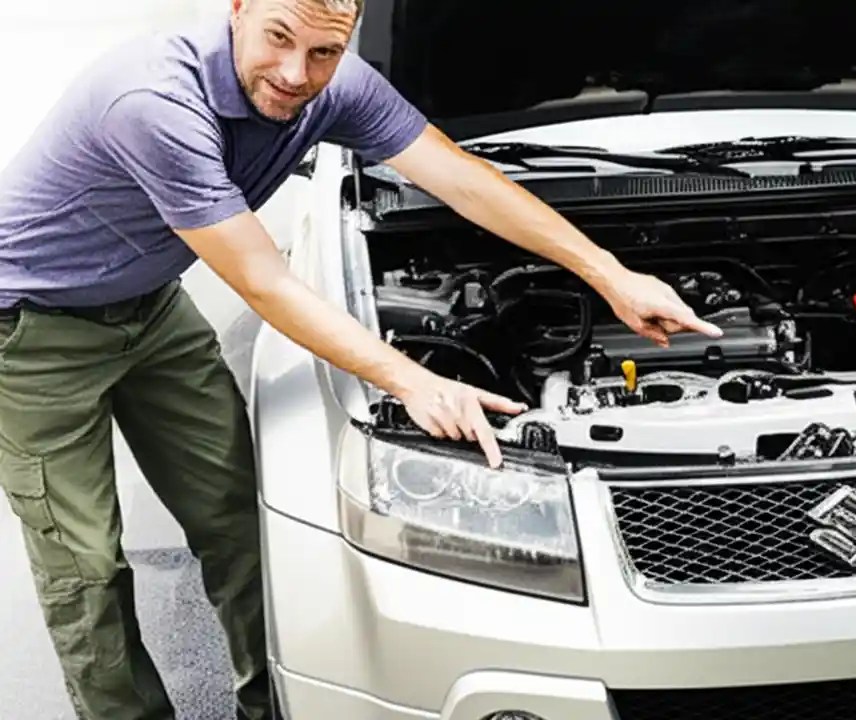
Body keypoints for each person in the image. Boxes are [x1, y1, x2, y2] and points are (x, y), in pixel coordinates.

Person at [0, 0, 722, 717]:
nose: (294, 74)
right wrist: (411, 379)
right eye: (279, 38)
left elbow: (461, 178)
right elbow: (264, 280)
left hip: (150, 303)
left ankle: (265, 706)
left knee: (233, 522)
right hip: (30, 336)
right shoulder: (154, 102)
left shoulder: (335, 84)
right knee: (86, 564)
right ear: (238, 9)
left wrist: (609, 274)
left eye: (322, 52)